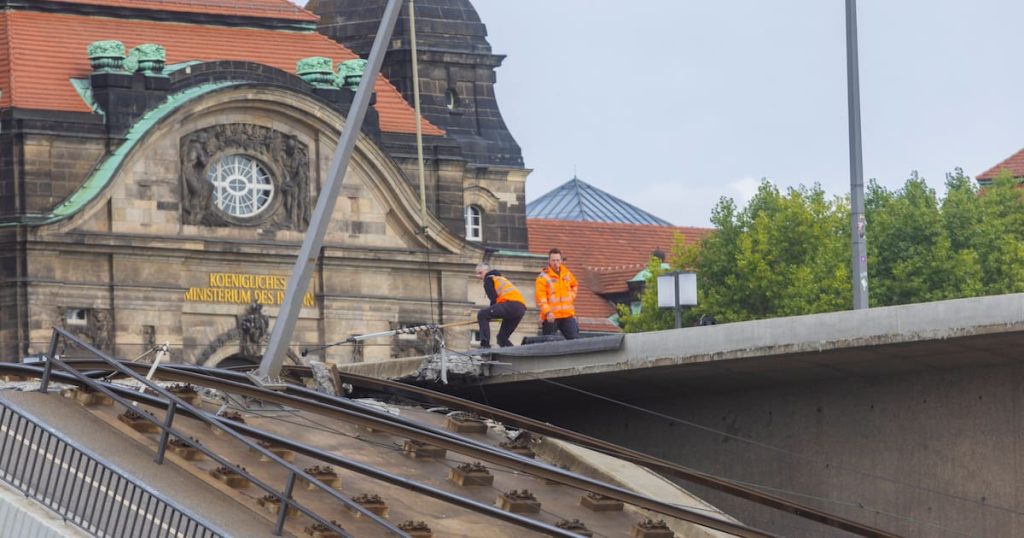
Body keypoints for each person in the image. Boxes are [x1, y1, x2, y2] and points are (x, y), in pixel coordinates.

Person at [475, 263, 527, 348]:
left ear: (487, 271)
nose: (479, 276)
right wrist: (494, 313)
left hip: (510, 304)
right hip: (520, 308)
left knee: (482, 314)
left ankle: (485, 345)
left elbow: (493, 299)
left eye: (480, 273)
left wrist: (490, 314)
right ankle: (515, 354)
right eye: (477, 274)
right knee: (502, 338)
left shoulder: (488, 278)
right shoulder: (500, 278)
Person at [535, 248, 579, 340]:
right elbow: (541, 298)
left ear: (561, 261)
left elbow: (574, 285)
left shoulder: (566, 274)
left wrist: (571, 297)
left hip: (567, 314)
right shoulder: (543, 277)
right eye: (553, 260)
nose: (556, 263)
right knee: (548, 342)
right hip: (551, 316)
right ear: (549, 261)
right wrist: (548, 312)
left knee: (575, 341)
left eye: (558, 260)